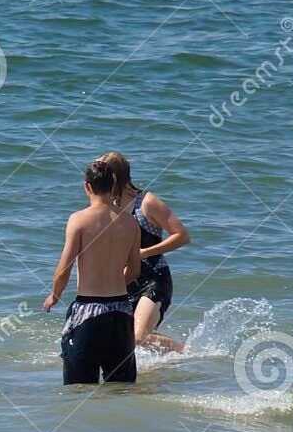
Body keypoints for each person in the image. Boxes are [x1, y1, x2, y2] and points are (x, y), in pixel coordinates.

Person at [43, 160, 145, 385]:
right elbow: (135, 270)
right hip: (121, 312)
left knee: (79, 388)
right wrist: (115, 283)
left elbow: (63, 269)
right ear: (114, 184)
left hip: (88, 313)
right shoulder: (130, 223)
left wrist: (55, 296)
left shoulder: (79, 220)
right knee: (121, 387)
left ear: (87, 186)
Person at [98, 152, 189, 352]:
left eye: (101, 178)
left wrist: (144, 252)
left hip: (154, 278)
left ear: (113, 179)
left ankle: (186, 354)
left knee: (138, 338)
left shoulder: (147, 203)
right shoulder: (107, 206)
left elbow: (182, 236)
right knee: (117, 338)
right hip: (125, 281)